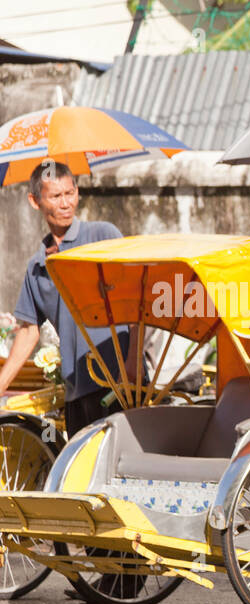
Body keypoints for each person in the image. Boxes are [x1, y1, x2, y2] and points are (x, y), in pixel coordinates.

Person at [0, 162, 131, 435]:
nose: (65, 203)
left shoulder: (104, 237)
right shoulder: (37, 266)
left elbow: (136, 302)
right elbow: (27, 332)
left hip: (119, 384)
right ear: (35, 202)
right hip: (75, 390)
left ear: (78, 192)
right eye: (56, 196)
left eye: (70, 193)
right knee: (77, 472)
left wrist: (131, 366)